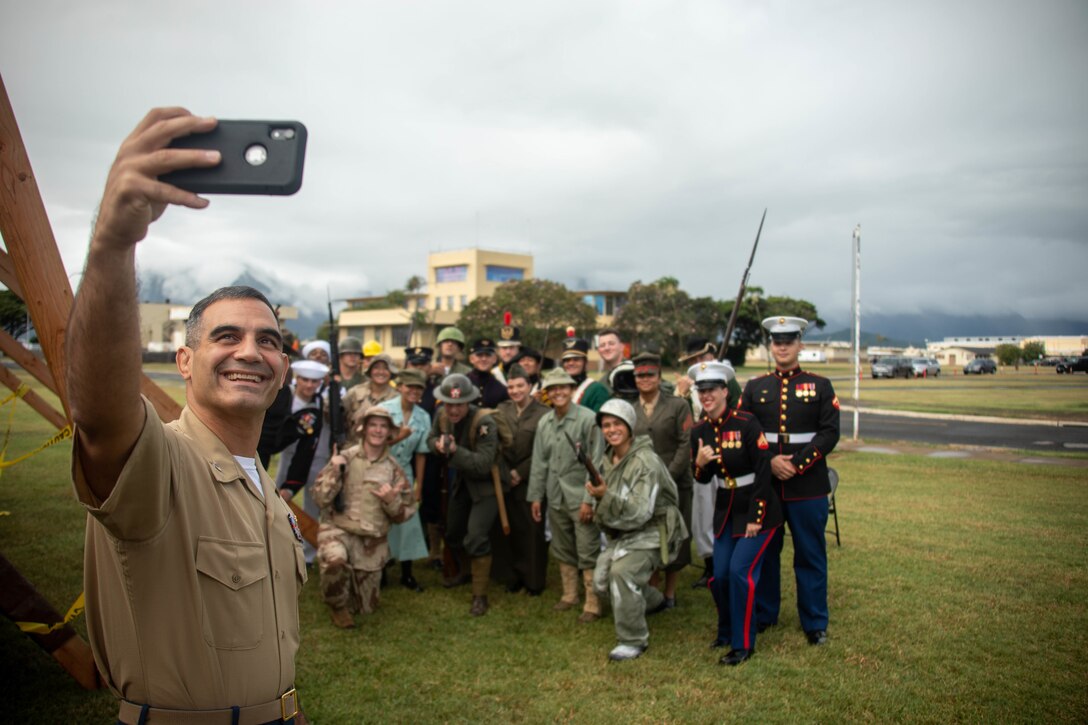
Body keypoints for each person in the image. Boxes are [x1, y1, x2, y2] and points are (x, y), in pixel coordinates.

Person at [67, 108, 305, 723]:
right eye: (227, 336)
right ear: (185, 358)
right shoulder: (161, 464)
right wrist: (114, 244)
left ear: (284, 366)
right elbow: (99, 410)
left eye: (270, 341)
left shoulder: (260, 483)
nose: (252, 352)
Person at [739, 316, 840, 646]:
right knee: (767, 552)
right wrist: (771, 462)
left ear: (800, 344)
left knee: (810, 554)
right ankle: (766, 614)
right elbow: (745, 433)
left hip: (807, 485)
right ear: (770, 345)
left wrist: (796, 464)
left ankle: (814, 622)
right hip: (768, 486)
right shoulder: (755, 387)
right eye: (776, 340)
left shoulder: (821, 385)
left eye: (789, 340)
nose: (782, 346)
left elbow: (829, 434)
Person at [691, 361, 782, 666]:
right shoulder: (699, 431)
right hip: (726, 509)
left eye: (712, 390)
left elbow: (763, 471)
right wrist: (700, 465)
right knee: (719, 577)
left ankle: (743, 645)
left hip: (759, 511)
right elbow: (702, 479)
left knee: (740, 573)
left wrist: (757, 515)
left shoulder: (746, 423)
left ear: (725, 392)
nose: (706, 396)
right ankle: (726, 631)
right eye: (701, 390)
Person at [588, 399, 688, 661]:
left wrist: (605, 496)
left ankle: (633, 640)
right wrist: (593, 499)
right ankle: (653, 601)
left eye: (617, 423)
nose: (611, 430)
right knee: (600, 583)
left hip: (653, 531)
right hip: (623, 533)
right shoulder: (607, 459)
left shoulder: (646, 462)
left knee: (622, 573)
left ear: (630, 427)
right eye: (606, 425)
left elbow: (640, 512)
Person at [313, 407, 416, 628]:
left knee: (366, 608)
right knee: (335, 561)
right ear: (364, 428)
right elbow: (319, 499)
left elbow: (405, 513)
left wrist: (391, 501)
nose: (378, 430)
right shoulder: (344, 458)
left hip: (371, 542)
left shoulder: (393, 469)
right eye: (373, 425)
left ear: (389, 432)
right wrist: (335, 471)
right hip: (338, 531)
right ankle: (337, 605)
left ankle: (345, 586)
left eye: (383, 426)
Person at [527, 369, 604, 622]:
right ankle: (570, 594)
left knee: (587, 547)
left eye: (563, 387)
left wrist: (588, 500)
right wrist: (536, 496)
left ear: (571, 390)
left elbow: (596, 463)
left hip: (580, 497)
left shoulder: (587, 419)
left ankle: (593, 603)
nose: (558, 392)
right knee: (561, 546)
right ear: (547, 394)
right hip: (555, 496)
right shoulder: (545, 423)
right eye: (552, 389)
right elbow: (539, 462)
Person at [426, 374, 501, 616]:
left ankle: (480, 596)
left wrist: (455, 451)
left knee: (476, 537)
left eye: (459, 404)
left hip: (487, 485)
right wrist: (437, 444)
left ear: (468, 402)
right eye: (449, 403)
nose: (453, 409)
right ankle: (466, 572)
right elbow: (430, 438)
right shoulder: (441, 416)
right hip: (461, 483)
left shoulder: (484, 422)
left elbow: (483, 464)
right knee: (453, 531)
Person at [629, 352, 694, 609]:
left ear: (659, 376)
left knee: (675, 536)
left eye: (650, 375)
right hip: (643, 486)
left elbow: (685, 443)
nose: (645, 379)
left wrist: (666, 476)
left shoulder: (678, 406)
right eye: (640, 375)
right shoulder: (631, 410)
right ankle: (653, 589)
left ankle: (670, 593)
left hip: (676, 483)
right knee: (650, 537)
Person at [676, 337, 741, 590]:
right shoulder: (687, 388)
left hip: (729, 454)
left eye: (702, 358)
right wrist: (682, 394)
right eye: (694, 360)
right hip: (701, 454)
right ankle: (711, 566)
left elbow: (737, 409)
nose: (698, 363)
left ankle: (730, 562)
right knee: (703, 514)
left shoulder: (728, 381)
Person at [494, 363, 550, 595]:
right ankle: (513, 577)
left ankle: (534, 581)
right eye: (511, 387)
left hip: (531, 478)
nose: (515, 391)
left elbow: (543, 450)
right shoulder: (501, 409)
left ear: (530, 386)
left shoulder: (544, 413)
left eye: (520, 386)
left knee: (532, 531)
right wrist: (507, 472)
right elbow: (495, 443)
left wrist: (521, 472)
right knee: (510, 530)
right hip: (506, 478)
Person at [274, 358, 332, 564]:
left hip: (317, 458)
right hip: (288, 456)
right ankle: (277, 546)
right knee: (277, 499)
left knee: (313, 506)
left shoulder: (323, 401)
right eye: (305, 380)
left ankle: (308, 555)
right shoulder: (284, 397)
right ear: (297, 379)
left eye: (314, 382)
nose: (309, 385)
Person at [380, 368, 432, 592]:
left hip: (406, 473)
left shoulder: (423, 416)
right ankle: (380, 571)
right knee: (381, 522)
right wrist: (398, 437)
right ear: (400, 387)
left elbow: (421, 453)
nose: (414, 391)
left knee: (409, 523)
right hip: (382, 471)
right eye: (410, 386)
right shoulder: (384, 410)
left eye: (418, 388)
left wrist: (418, 485)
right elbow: (374, 444)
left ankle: (407, 573)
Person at [343, 353, 399, 442]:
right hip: (353, 449)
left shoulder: (397, 398)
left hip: (384, 450)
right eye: (376, 367)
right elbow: (335, 413)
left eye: (386, 368)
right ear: (370, 371)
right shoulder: (355, 392)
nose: (381, 372)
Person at [560, 330, 610, 412]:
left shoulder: (597, 390)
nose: (571, 363)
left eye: (576, 359)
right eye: (567, 360)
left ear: (585, 362)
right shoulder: (557, 390)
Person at [466, 337, 510, 408]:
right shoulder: (462, 382)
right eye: (479, 355)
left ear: (495, 359)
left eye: (488, 355)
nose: (484, 359)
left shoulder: (501, 390)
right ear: (471, 359)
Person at [492, 313, 523, 387]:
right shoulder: (493, 374)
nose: (508, 352)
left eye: (512, 347)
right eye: (504, 348)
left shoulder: (527, 370)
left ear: (518, 349)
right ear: (498, 351)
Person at [595, 327, 626, 396]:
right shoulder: (601, 384)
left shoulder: (634, 372)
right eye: (602, 345)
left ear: (621, 347)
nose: (607, 348)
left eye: (611, 343)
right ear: (599, 351)